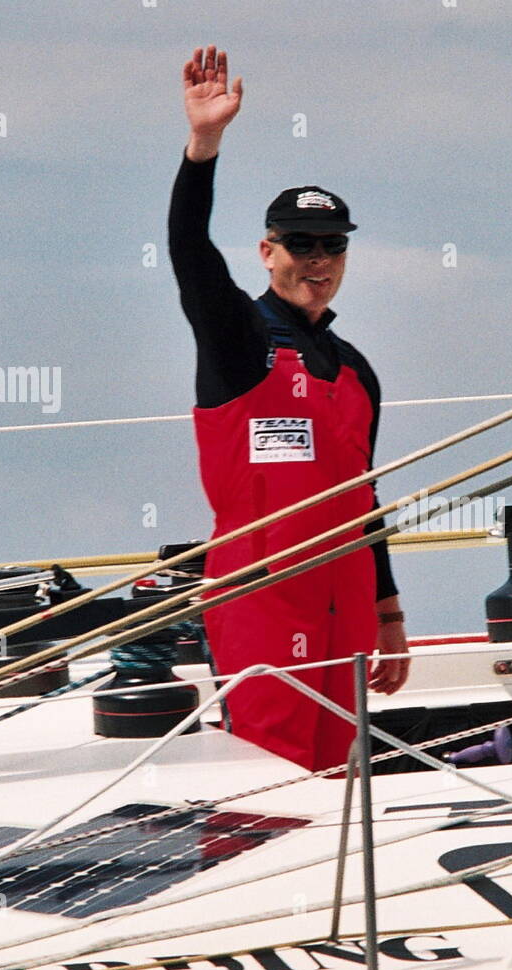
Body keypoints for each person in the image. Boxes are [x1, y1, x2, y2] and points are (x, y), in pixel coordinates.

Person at [168, 45, 410, 772]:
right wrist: (203, 147)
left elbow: (365, 502)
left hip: (348, 602)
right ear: (267, 251)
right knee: (270, 774)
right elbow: (188, 251)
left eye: (332, 245)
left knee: (340, 777)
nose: (318, 259)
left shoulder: (356, 370)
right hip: (264, 597)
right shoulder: (239, 339)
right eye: (300, 244)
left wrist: (390, 617)